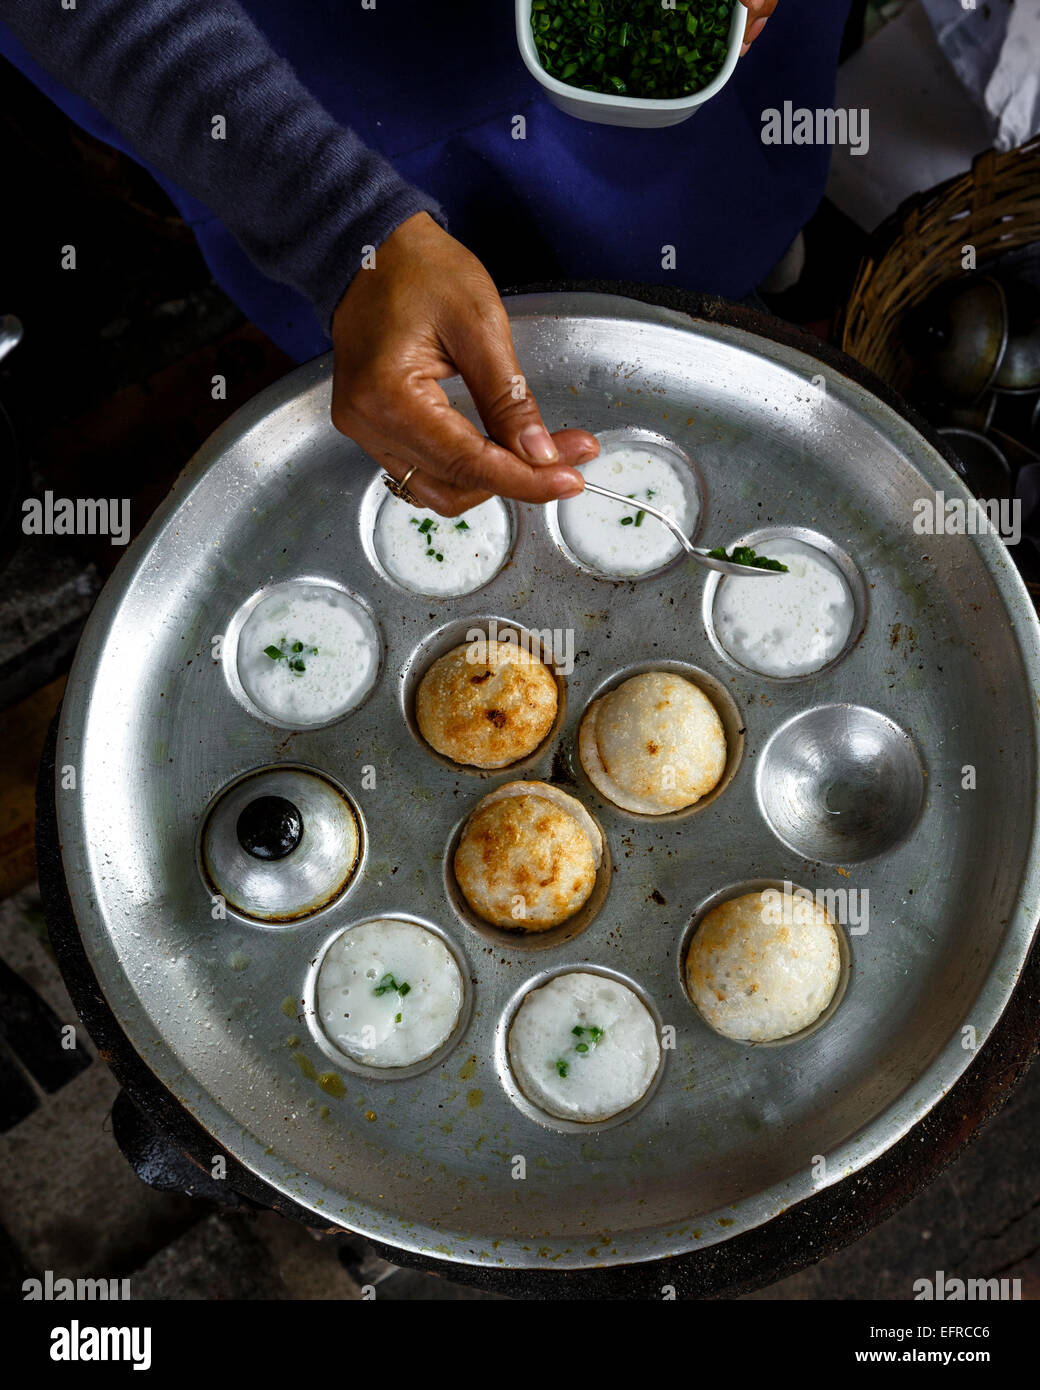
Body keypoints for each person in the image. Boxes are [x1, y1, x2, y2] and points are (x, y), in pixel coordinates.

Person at [1, 1, 852, 517]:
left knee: (714, 175)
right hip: (314, 54)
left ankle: (751, 248)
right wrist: (341, 226)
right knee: (437, 315)